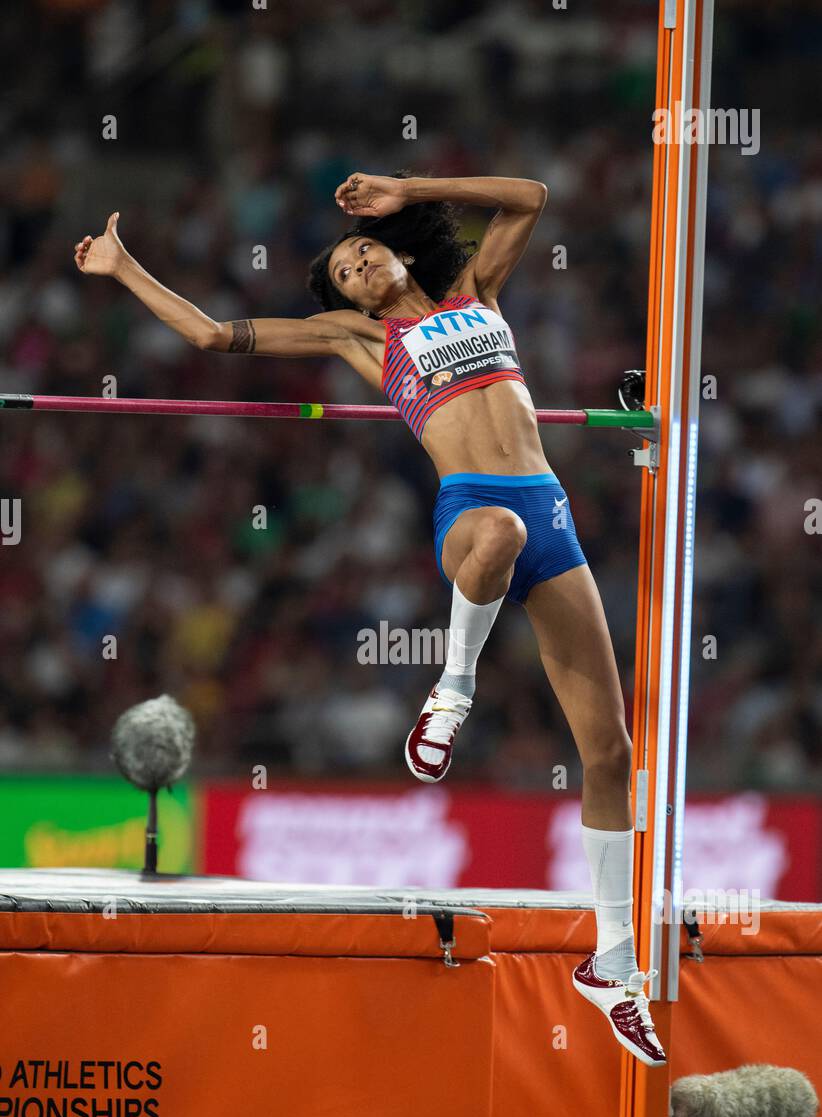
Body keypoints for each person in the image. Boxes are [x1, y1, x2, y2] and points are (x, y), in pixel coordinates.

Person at [73, 171, 665, 1067]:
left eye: (363, 249)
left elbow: (531, 196)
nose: (356, 265)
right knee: (498, 533)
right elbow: (209, 332)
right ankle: (451, 691)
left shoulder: (476, 292)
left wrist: (408, 186)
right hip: (473, 511)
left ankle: (613, 962)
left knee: (612, 753)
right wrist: (123, 268)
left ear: (393, 243)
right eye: (344, 269)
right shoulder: (362, 336)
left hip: (553, 512)